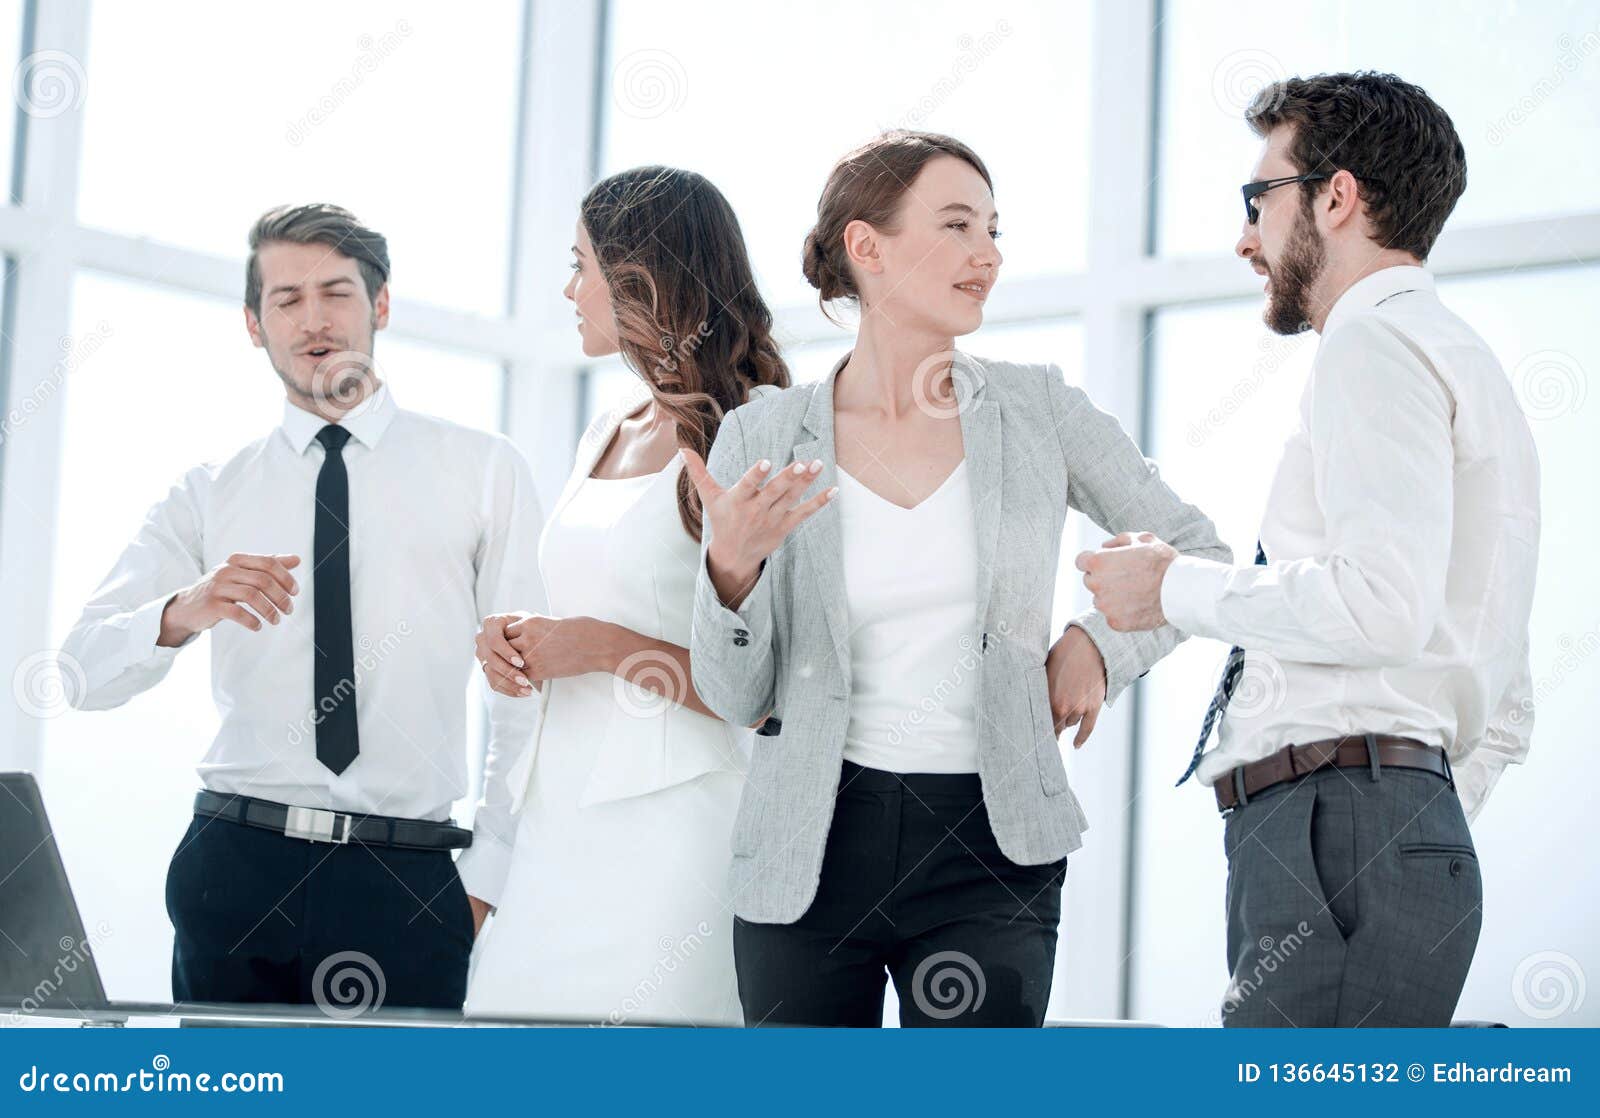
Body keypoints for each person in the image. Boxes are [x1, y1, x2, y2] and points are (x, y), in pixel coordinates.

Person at [682, 131, 1229, 1027]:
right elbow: (734, 691)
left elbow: (1197, 549)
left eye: (994, 230)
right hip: (807, 849)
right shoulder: (762, 435)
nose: (990, 255)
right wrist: (731, 570)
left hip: (989, 846)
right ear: (867, 247)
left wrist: (1100, 641)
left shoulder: (1036, 408)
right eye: (958, 225)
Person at [1076, 72, 1540, 1027]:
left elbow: (1380, 604)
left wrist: (1172, 588)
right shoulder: (1466, 364)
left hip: (1338, 826)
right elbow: (1507, 697)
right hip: (1382, 832)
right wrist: (1416, 827)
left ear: (1337, 197)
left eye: (1260, 200)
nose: (1245, 237)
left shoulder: (1371, 346)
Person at [60, 204, 545, 1011]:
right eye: (286, 299)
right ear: (254, 324)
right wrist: (186, 608)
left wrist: (486, 876)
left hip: (407, 876)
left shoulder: (484, 471)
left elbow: (525, 690)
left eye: (336, 293)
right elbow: (79, 673)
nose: (314, 320)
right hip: (235, 868)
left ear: (380, 306)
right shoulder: (209, 491)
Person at [464, 167, 789, 1025]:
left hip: (673, 835)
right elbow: (576, 605)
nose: (569, 290)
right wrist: (513, 639)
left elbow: (772, 696)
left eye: (582, 265)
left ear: (642, 276)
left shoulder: (752, 429)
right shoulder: (606, 428)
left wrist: (605, 648)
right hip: (551, 825)